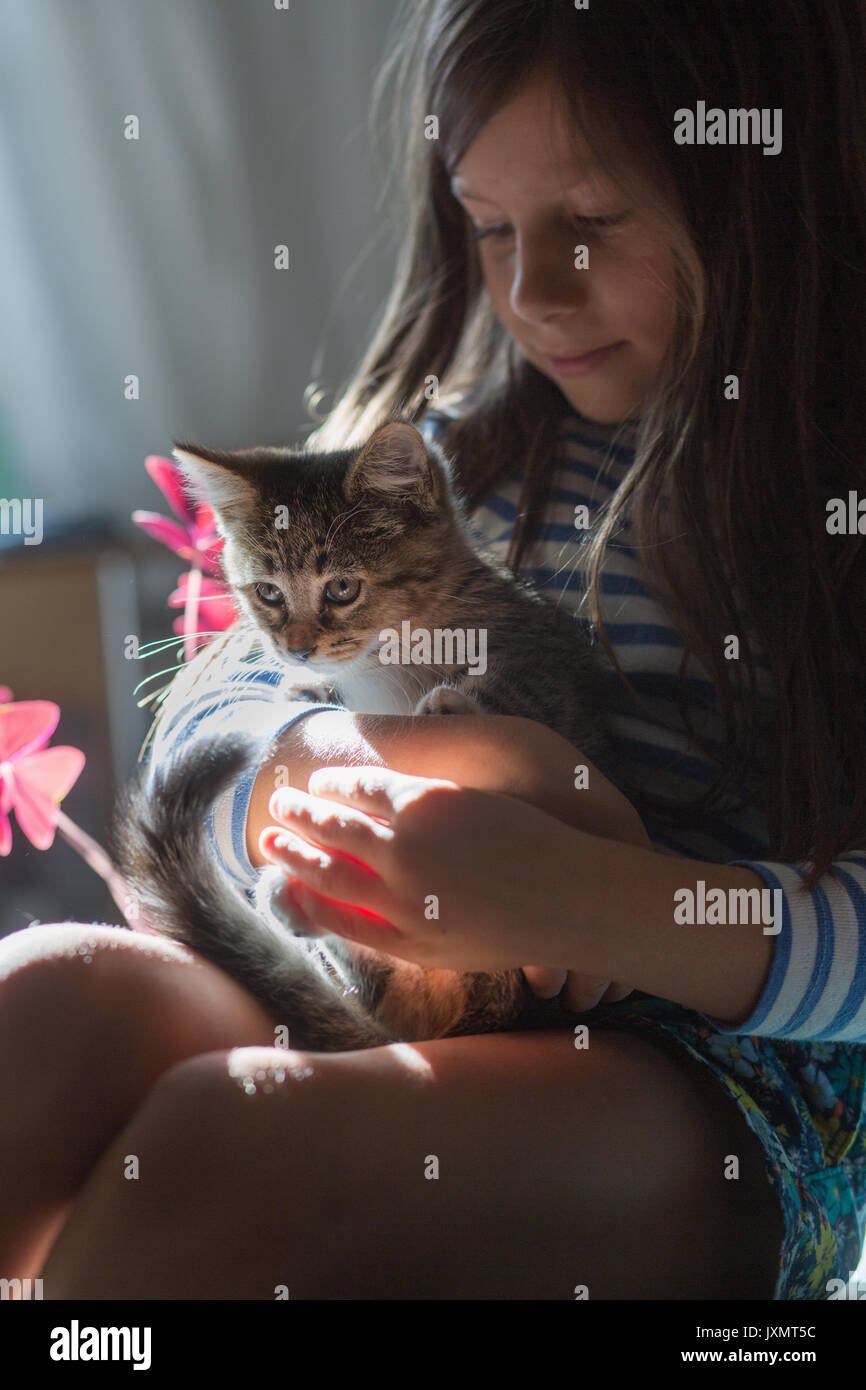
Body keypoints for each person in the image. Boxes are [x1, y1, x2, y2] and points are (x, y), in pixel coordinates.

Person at [2, 0, 865, 1300]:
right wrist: (361, 758)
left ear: (768, 179)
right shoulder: (457, 459)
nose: (527, 291)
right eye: (490, 226)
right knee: (42, 1006)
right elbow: (212, 713)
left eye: (590, 224)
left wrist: (589, 899)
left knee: (230, 1152)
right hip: (416, 977)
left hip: (744, 1074)